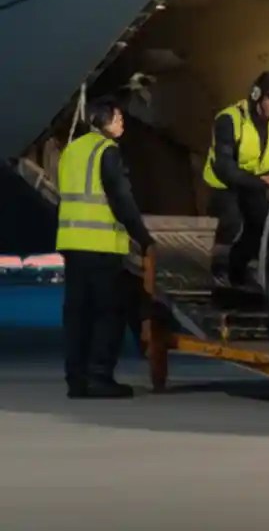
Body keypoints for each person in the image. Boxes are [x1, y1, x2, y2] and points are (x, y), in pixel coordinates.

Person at [56, 96, 156, 398]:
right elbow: (120, 198)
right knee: (108, 311)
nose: (122, 122)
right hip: (101, 245)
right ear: (102, 120)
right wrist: (143, 237)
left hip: (72, 243)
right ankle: (99, 376)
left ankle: (76, 379)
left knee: (77, 314)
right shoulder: (107, 150)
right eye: (117, 117)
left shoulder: (72, 150)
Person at [201, 71, 269, 287]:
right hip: (224, 182)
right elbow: (224, 167)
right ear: (257, 95)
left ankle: (238, 269)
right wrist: (263, 183)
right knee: (232, 221)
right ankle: (219, 270)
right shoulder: (230, 120)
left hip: (254, 181)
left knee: (261, 226)